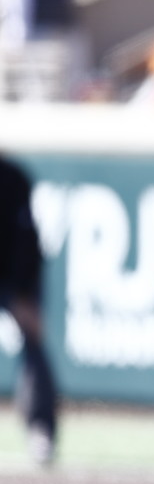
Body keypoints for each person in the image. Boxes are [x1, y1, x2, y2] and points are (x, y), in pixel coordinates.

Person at [0, 154, 59, 467]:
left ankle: (40, 428)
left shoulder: (11, 177)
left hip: (14, 276)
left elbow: (25, 241)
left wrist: (22, 296)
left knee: (33, 345)